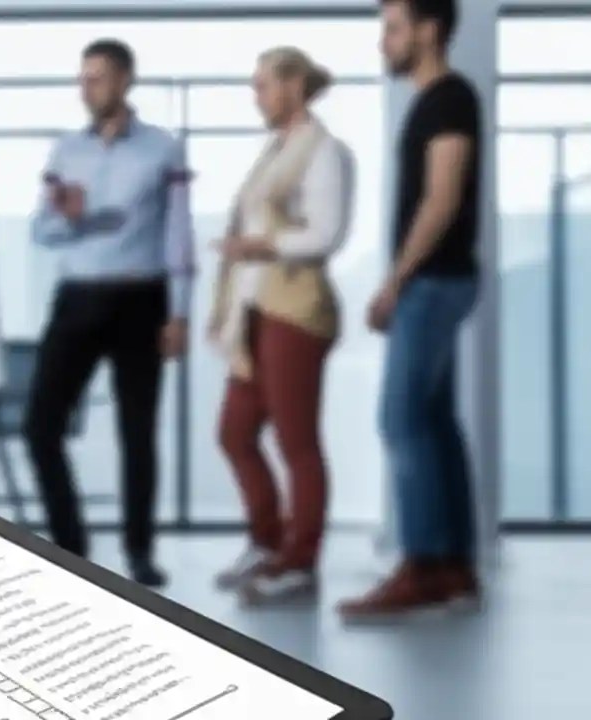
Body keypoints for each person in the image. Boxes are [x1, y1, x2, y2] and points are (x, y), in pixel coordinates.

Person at [24, 39, 196, 588]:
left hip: (140, 301)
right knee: (40, 425)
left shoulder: (162, 150)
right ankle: (70, 544)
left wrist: (180, 314)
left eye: (97, 77)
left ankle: (140, 551)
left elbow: (178, 235)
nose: (87, 87)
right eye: (83, 77)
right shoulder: (65, 152)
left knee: (137, 431)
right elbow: (42, 231)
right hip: (77, 297)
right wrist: (71, 217)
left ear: (125, 80)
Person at [339, 0, 483, 622]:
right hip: (440, 280)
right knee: (434, 423)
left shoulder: (449, 97)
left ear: (428, 30)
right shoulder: (435, 101)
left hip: (432, 282)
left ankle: (422, 565)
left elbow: (442, 197)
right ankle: (452, 568)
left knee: (399, 421)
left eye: (393, 29)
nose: (384, 43)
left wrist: (395, 281)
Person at [208, 48, 355, 603]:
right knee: (235, 432)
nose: (257, 97)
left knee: (297, 442)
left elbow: (326, 234)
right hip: (254, 313)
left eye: (264, 85)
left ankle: (300, 560)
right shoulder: (277, 151)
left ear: (294, 85)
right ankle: (268, 542)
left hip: (294, 312)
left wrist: (260, 245)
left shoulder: (324, 153)